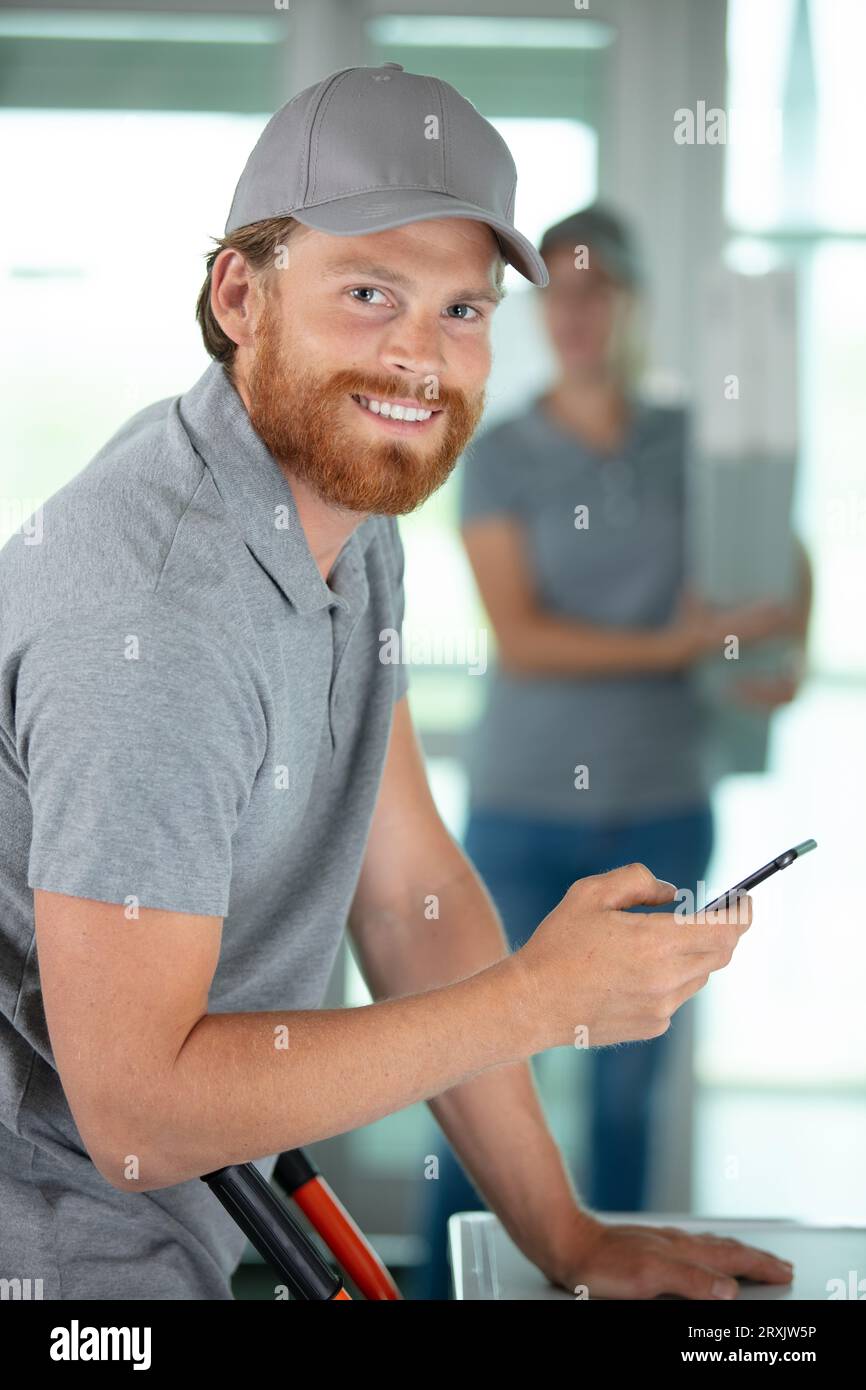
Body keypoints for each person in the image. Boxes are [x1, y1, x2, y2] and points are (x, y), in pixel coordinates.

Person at [0, 70, 795, 1302]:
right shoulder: (152, 616)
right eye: (369, 293)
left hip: (184, 1218)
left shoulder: (346, 515)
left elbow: (411, 889)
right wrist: (534, 1000)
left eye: (461, 309)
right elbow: (137, 1115)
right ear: (238, 296)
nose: (419, 356)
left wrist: (565, 1237)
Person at [419, 205, 811, 1298]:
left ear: (632, 304)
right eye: (561, 293)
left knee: (632, 1087)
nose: (579, 314)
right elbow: (524, 636)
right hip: (522, 803)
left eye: (600, 292)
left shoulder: (687, 444)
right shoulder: (498, 454)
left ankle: (627, 1287)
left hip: (658, 802)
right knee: (485, 1073)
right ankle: (450, 1284)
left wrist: (779, 656)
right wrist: (678, 642)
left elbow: (785, 555)